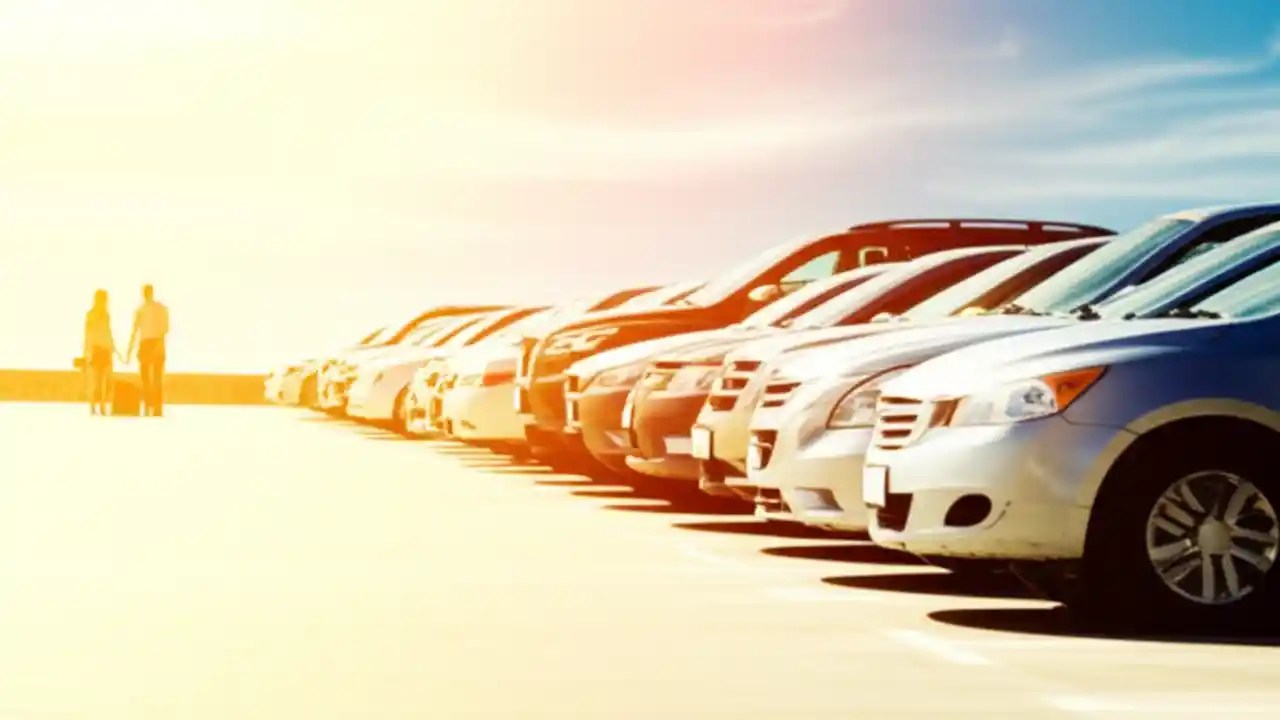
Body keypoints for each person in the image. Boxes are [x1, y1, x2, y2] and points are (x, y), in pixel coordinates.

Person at [127, 284, 170, 417]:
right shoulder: (161, 308)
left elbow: (134, 331)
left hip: (145, 343)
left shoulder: (140, 310)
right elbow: (166, 328)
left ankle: (147, 405)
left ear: (143, 294)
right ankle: (157, 408)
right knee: (157, 377)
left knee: (145, 377)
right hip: (158, 341)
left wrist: (129, 351)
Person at [83, 289, 120, 416]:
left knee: (101, 379)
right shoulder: (95, 315)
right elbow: (88, 333)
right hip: (98, 349)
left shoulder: (101, 315)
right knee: (98, 379)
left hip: (101, 348)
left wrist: (112, 346)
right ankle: (97, 406)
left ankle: (98, 406)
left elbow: (106, 332)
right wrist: (86, 351)